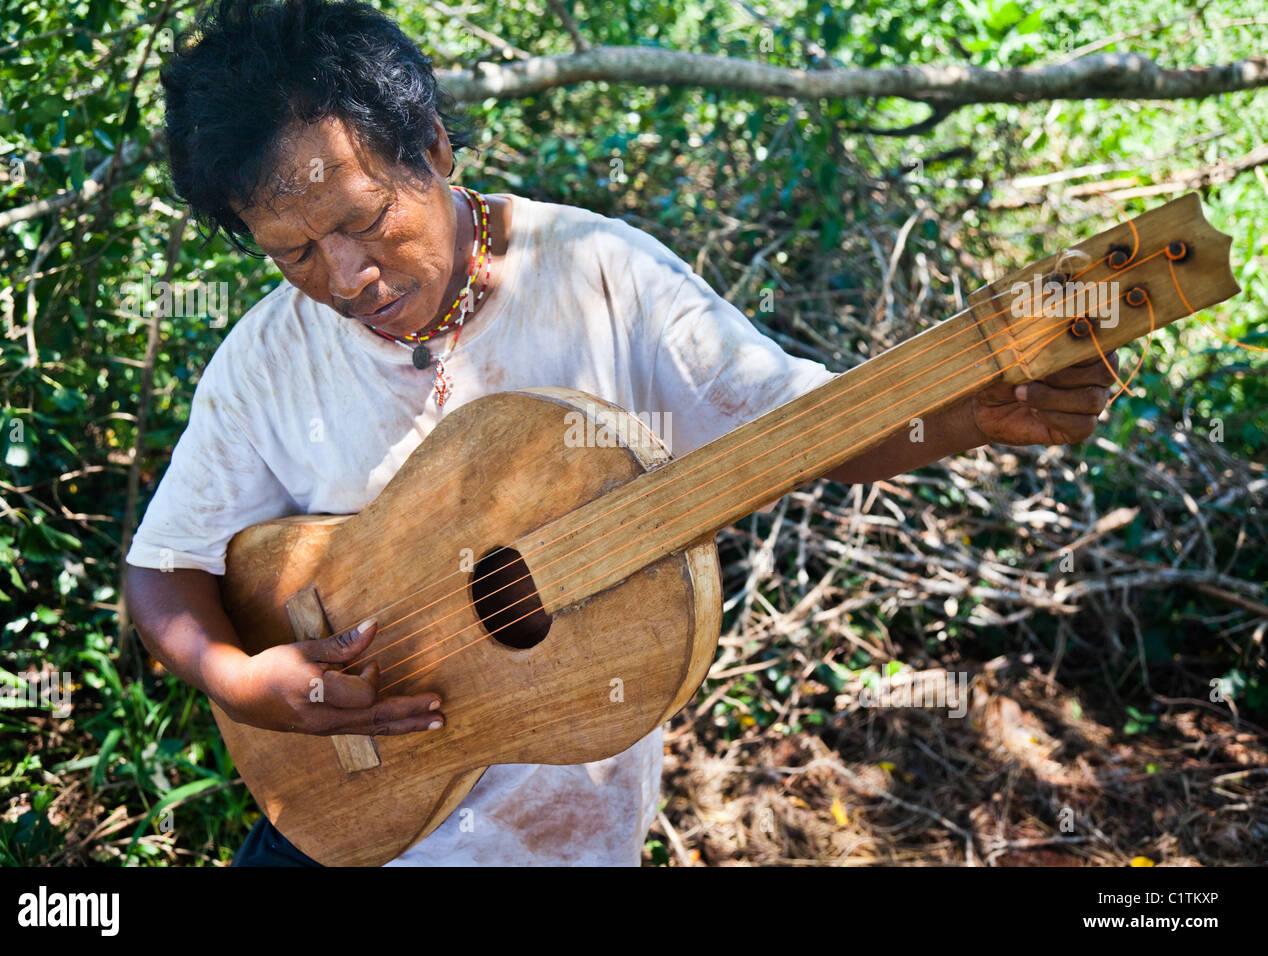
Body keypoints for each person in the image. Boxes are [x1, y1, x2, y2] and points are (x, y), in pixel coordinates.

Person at [125, 0, 1119, 866]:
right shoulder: (268, 359)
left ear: (432, 147)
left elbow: (792, 429)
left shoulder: (599, 276)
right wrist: (246, 678)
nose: (346, 275)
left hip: (560, 846)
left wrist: (968, 412)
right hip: (339, 827)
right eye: (293, 251)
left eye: (364, 218)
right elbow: (164, 566)